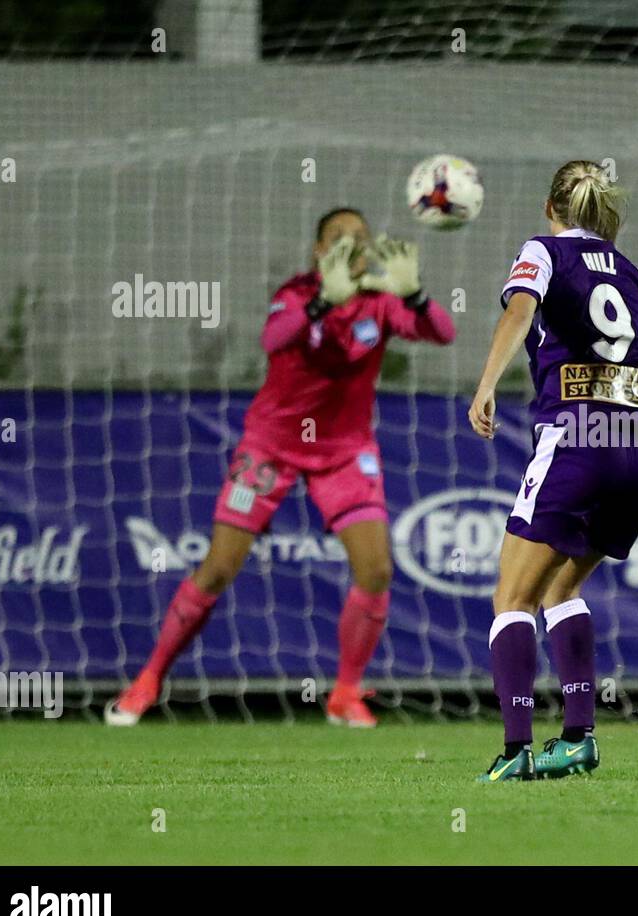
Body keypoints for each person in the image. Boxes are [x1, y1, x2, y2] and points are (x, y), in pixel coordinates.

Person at [106, 208, 456, 729]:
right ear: (319, 251)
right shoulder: (295, 293)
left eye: (360, 237)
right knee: (220, 567)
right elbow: (274, 339)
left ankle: (344, 694)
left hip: (343, 453)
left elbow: (442, 333)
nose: (353, 245)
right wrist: (321, 303)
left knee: (377, 569)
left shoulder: (380, 301)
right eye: (339, 238)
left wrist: (415, 294)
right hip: (271, 449)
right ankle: (149, 679)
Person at [468, 160, 638, 781]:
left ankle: (516, 750)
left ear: (552, 207)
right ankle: (578, 738)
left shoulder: (542, 251)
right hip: (635, 442)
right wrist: (623, 381)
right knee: (560, 590)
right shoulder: (634, 273)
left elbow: (520, 310)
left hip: (576, 439)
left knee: (511, 599)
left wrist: (487, 383)